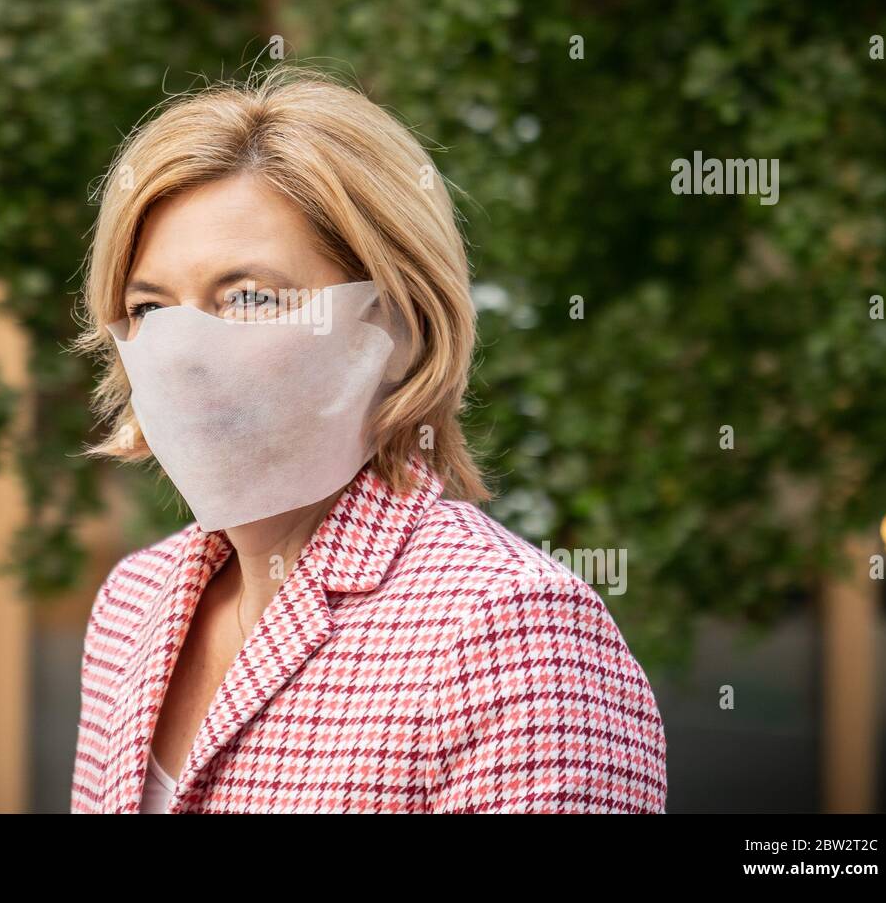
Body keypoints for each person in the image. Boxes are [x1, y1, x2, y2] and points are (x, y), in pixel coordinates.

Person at [68, 63, 667, 813]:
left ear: (399, 329)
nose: (182, 352)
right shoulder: (134, 604)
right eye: (150, 307)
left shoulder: (512, 634)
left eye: (249, 296)